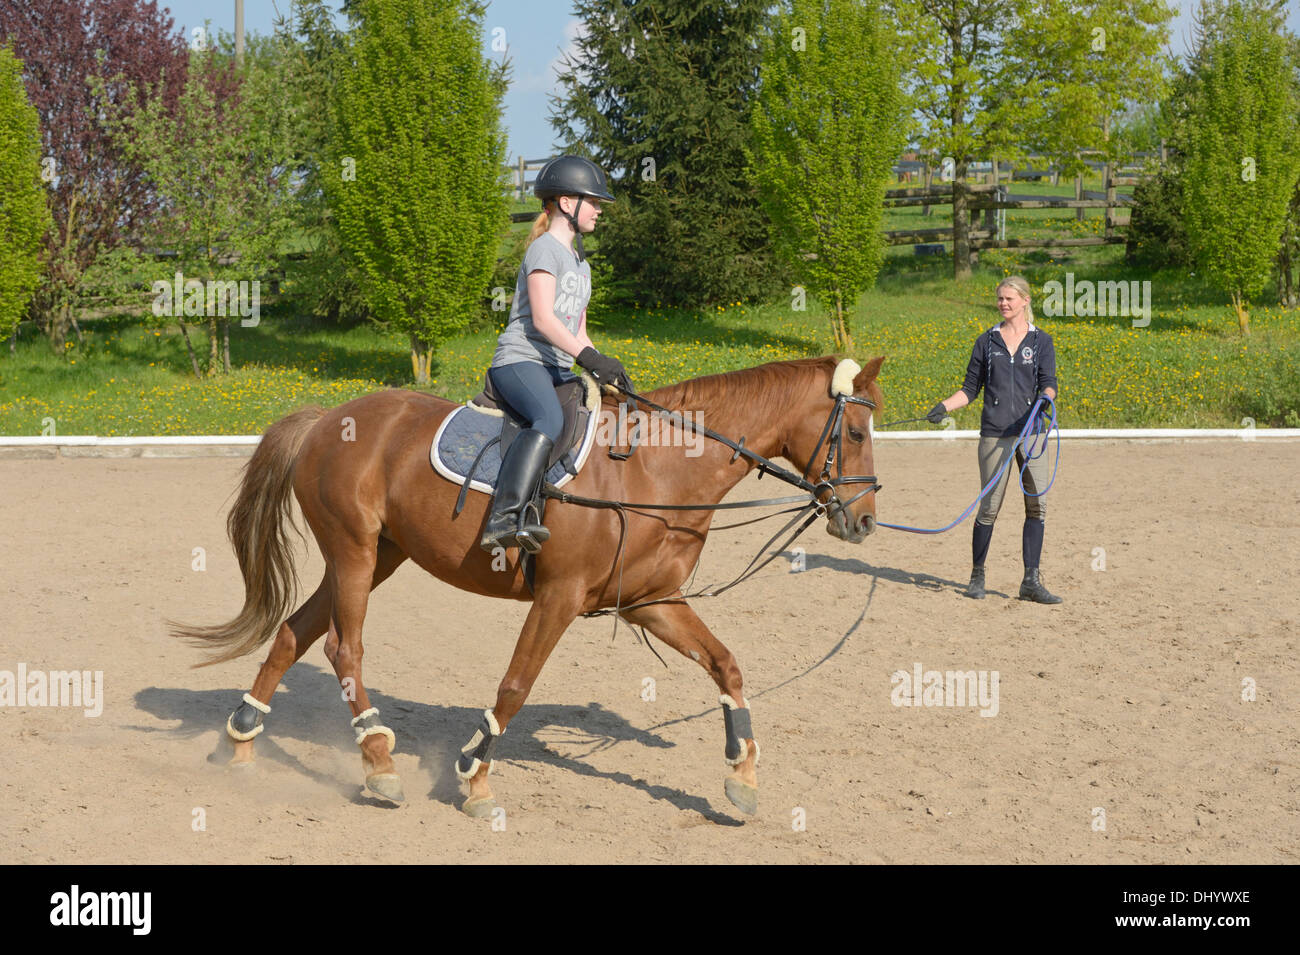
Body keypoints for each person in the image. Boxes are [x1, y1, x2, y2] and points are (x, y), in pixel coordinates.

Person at [479, 154, 631, 554]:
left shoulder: (581, 266)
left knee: (594, 414)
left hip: (556, 366)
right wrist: (588, 358)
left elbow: (576, 328)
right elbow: (545, 320)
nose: (599, 210)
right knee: (547, 417)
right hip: (520, 360)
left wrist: (604, 367)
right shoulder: (544, 250)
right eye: (593, 201)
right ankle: (504, 516)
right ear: (567, 203)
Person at [926, 275, 1062, 604]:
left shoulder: (1041, 341)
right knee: (988, 508)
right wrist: (944, 406)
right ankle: (977, 575)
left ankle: (1030, 580)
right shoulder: (986, 342)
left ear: (1025, 301)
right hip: (995, 434)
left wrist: (1046, 398)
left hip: (1032, 435)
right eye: (1000, 299)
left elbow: (1049, 381)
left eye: (1009, 299)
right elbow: (970, 389)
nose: (1003, 304)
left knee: (1037, 507)